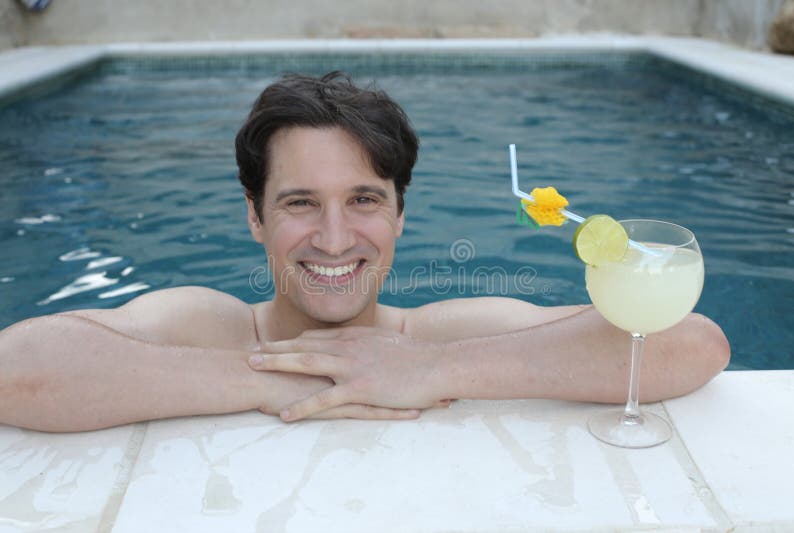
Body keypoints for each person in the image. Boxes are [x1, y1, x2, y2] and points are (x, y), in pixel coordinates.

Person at [0, 72, 729, 432]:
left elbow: (694, 343)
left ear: (401, 215)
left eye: (363, 200)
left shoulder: (439, 336)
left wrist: (431, 368)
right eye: (299, 202)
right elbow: (16, 367)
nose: (334, 237)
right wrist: (267, 381)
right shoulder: (212, 326)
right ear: (253, 216)